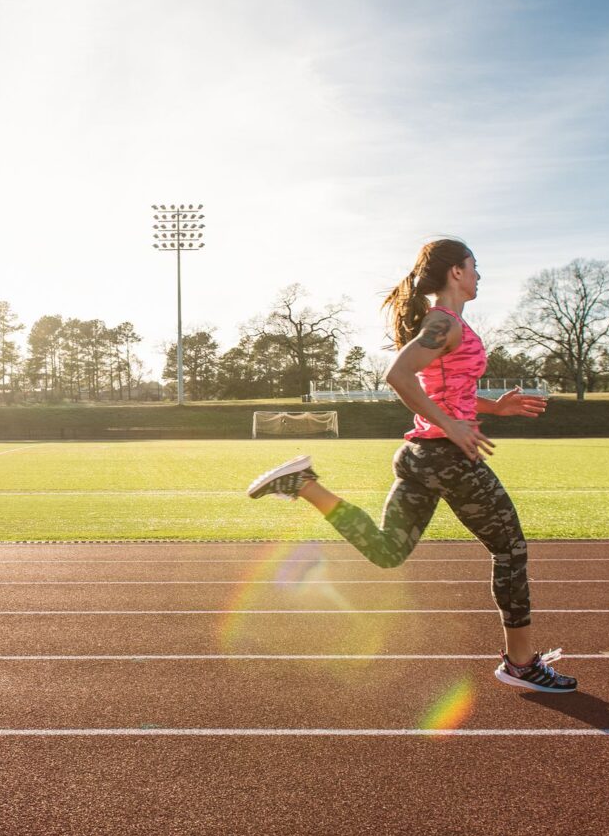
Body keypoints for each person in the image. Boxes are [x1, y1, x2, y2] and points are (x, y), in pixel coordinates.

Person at [245, 238, 576, 692]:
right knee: (511, 549)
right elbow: (398, 375)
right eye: (474, 266)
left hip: (423, 454)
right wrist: (455, 428)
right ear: (455, 273)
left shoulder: (449, 323)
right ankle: (520, 664)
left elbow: (448, 391)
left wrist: (494, 410)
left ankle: (304, 484)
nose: (480, 275)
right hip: (446, 455)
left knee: (387, 550)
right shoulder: (444, 322)